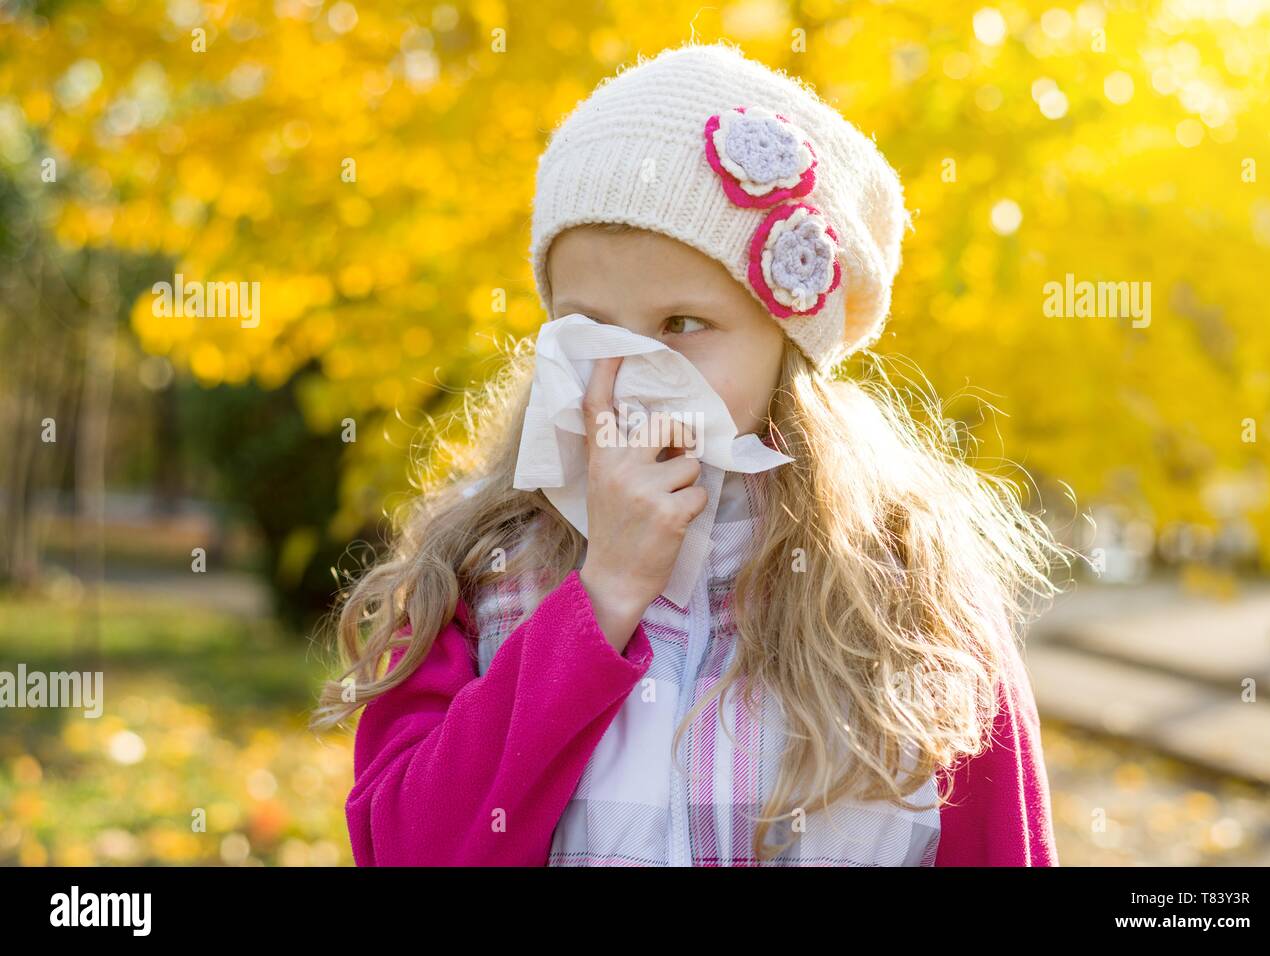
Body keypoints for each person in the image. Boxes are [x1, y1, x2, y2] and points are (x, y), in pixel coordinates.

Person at [312, 39, 1069, 866]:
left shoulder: (912, 594)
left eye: (683, 325)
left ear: (784, 342)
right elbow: (407, 849)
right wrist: (601, 599)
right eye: (589, 324)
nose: (632, 373)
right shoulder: (473, 574)